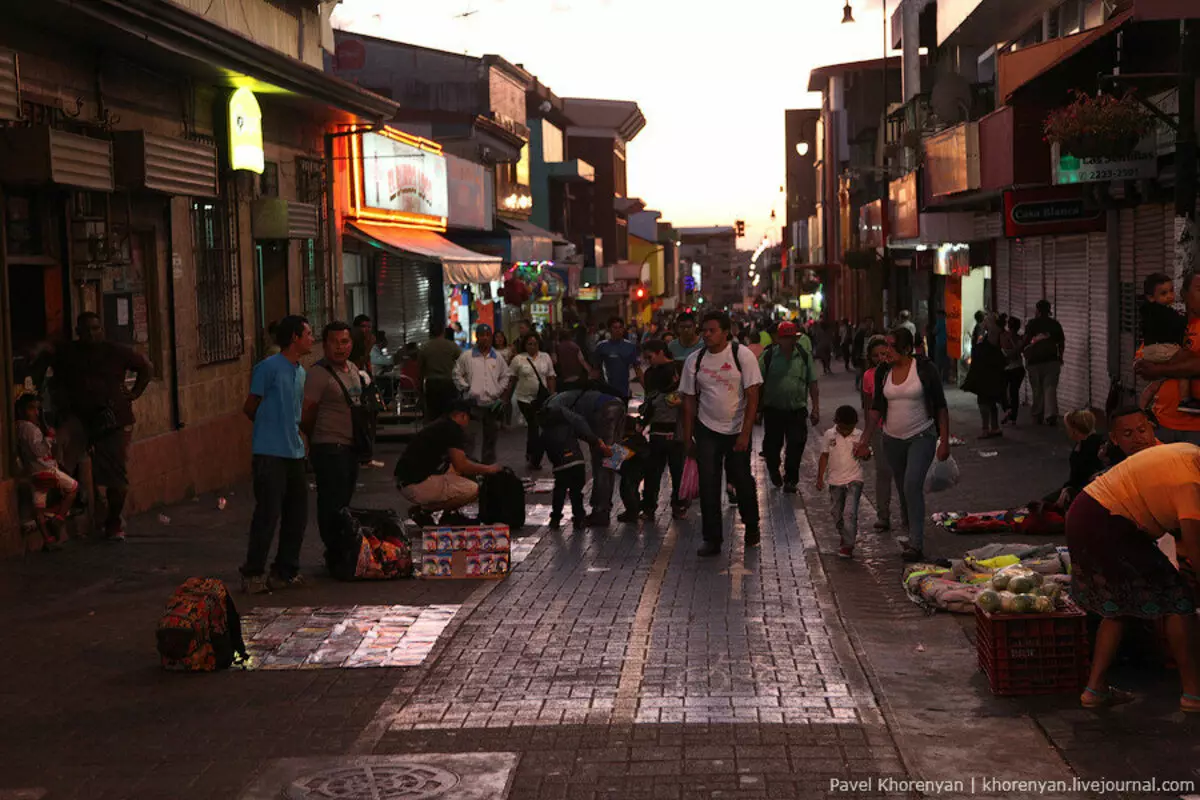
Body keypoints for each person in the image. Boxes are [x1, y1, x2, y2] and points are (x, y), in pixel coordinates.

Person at [1065, 443, 1200, 712]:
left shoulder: (1188, 454)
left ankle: (1095, 690)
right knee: (1179, 600)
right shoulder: (1190, 483)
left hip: (1084, 515)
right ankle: (1194, 695)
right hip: (1109, 524)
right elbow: (1196, 552)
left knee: (1118, 606)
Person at [50, 311, 152, 541]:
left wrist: (134, 392)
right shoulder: (70, 353)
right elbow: (50, 355)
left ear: (102, 330)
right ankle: (62, 512)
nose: (91, 335)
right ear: (78, 333)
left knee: (116, 479)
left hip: (112, 420)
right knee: (61, 455)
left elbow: (146, 368)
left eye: (95, 329)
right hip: (79, 418)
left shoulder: (115, 351)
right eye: (86, 330)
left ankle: (113, 521)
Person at [854, 326, 951, 562]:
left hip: (921, 436)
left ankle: (916, 543)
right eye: (885, 345)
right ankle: (910, 524)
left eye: (891, 345)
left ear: (907, 348)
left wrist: (944, 440)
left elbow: (940, 405)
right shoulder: (883, 372)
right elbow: (876, 407)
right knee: (902, 487)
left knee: (911, 485)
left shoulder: (925, 369)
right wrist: (865, 439)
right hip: (891, 440)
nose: (886, 351)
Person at [680, 311, 763, 557]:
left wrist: (745, 434)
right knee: (708, 485)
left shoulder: (742, 356)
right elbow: (688, 401)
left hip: (737, 430)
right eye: (703, 330)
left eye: (711, 330)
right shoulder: (694, 361)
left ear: (726, 332)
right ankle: (712, 539)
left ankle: (752, 525)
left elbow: (753, 396)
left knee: (741, 479)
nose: (706, 334)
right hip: (707, 430)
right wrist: (688, 438)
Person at [240, 315, 313, 594]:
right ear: (294, 337)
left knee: (297, 514)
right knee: (267, 514)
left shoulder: (300, 372)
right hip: (269, 453)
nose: (311, 338)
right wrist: (269, 427)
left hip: (294, 452)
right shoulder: (268, 368)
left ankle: (285, 569)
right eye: (307, 333)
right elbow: (250, 406)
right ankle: (253, 571)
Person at [301, 321, 364, 561]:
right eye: (334, 342)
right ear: (324, 345)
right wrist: (315, 438)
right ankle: (333, 551)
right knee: (330, 503)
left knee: (344, 502)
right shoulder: (318, 374)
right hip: (329, 447)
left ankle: (342, 547)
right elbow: (306, 413)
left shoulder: (353, 369)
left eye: (344, 342)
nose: (340, 347)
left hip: (350, 447)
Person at [394, 400, 503, 525]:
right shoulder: (453, 429)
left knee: (456, 471)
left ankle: (446, 513)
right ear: (461, 415)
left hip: (404, 480)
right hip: (414, 484)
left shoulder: (441, 424)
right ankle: (426, 511)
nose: (468, 424)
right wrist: (489, 469)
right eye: (468, 419)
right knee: (473, 489)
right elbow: (462, 465)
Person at [544, 384, 626, 526]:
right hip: (618, 406)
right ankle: (605, 508)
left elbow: (578, 421)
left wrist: (595, 441)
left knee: (601, 465)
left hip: (605, 412)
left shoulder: (553, 406)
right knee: (611, 463)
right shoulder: (563, 397)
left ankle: (600, 512)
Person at [758, 321, 820, 493]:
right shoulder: (768, 356)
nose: (788, 341)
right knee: (772, 445)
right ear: (778, 338)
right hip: (773, 410)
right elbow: (757, 382)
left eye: (791, 338)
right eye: (785, 338)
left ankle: (791, 479)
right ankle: (773, 469)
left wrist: (815, 408)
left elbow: (812, 383)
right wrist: (756, 409)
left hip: (797, 410)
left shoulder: (804, 355)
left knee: (796, 444)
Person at [15, 393, 78, 548]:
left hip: (33, 473)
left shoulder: (18, 427)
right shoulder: (29, 429)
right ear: (23, 410)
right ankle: (59, 520)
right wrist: (49, 438)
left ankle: (48, 540)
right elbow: (39, 451)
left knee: (39, 508)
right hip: (45, 470)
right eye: (32, 409)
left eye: (37, 409)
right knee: (73, 488)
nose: (36, 413)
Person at [1138, 272, 1200, 414]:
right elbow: (1142, 365)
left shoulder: (1164, 315)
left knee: (1160, 380)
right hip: (1163, 418)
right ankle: (1185, 400)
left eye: (1171, 291)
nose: (1169, 296)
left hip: (1194, 427)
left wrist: (1161, 370)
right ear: (1184, 294)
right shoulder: (1166, 316)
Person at [453, 324, 514, 465]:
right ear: (477, 337)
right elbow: (456, 374)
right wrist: (465, 388)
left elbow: (506, 375)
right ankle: (468, 466)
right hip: (472, 405)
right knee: (469, 438)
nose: (485, 338)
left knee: (491, 438)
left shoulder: (497, 357)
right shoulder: (467, 356)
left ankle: (488, 467)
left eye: (488, 335)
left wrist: (499, 390)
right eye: (482, 335)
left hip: (491, 405)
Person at [861, 335, 904, 533]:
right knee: (883, 472)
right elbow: (868, 405)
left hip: (901, 427)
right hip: (879, 428)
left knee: (904, 474)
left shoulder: (899, 371)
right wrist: (866, 436)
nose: (880, 358)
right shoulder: (869, 376)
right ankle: (883, 515)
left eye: (883, 354)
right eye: (875, 355)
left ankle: (906, 514)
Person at [640, 339, 687, 519]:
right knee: (653, 471)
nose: (648, 361)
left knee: (678, 471)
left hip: (677, 429)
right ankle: (649, 507)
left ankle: (678, 504)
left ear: (660, 352)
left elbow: (686, 397)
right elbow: (648, 399)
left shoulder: (678, 369)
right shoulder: (650, 373)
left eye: (650, 357)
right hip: (656, 430)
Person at [816, 405, 865, 560]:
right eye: (843, 428)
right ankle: (845, 534)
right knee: (836, 513)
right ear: (836, 423)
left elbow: (868, 455)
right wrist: (820, 477)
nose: (845, 432)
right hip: (835, 481)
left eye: (849, 429)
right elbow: (824, 456)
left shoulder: (860, 436)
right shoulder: (829, 435)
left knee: (850, 513)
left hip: (854, 479)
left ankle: (848, 545)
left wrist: (864, 452)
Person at [512, 332, 556, 470]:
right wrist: (505, 399)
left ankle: (531, 454)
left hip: (541, 399)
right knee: (534, 425)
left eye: (535, 344)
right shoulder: (518, 359)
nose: (532, 347)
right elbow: (512, 379)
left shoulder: (545, 357)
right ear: (524, 345)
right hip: (524, 399)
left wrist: (553, 396)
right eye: (529, 344)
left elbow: (550, 376)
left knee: (536, 427)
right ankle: (534, 459)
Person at [962, 314, 1006, 439]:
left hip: (986, 372)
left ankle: (986, 428)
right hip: (989, 371)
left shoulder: (992, 334)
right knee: (991, 400)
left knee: (984, 401)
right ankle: (994, 427)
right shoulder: (992, 333)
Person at [1023, 299, 1065, 426]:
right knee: (1050, 388)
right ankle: (1050, 414)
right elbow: (1061, 342)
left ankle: (1038, 415)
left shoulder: (1032, 324)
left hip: (1034, 362)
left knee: (1037, 389)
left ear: (1038, 310)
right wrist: (1060, 356)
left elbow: (1026, 341)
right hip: (1052, 360)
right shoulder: (1055, 324)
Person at [420, 326, 464, 421]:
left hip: (432, 384)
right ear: (443, 332)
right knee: (449, 413)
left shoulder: (425, 347)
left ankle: (435, 433)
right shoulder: (452, 346)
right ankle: (448, 433)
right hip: (448, 383)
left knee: (433, 413)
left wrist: (420, 389)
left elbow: (420, 370)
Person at [593, 317, 642, 399]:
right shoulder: (602, 346)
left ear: (623, 329)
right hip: (606, 390)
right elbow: (596, 369)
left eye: (620, 327)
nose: (618, 330)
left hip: (624, 389)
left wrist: (647, 389)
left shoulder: (630, 347)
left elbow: (637, 369)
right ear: (609, 329)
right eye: (615, 328)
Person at [1000, 316, 1025, 425]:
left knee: (1002, 391)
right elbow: (1022, 350)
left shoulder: (1003, 336)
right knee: (1014, 393)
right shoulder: (1020, 338)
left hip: (1006, 369)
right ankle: (1013, 417)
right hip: (1019, 368)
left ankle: (1007, 409)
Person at [933, 310, 949, 383]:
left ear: (941, 315)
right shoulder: (947, 322)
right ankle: (946, 378)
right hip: (947, 344)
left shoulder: (940, 321)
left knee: (939, 361)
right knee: (946, 361)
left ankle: (938, 378)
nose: (937, 316)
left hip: (940, 344)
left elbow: (935, 332)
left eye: (937, 315)